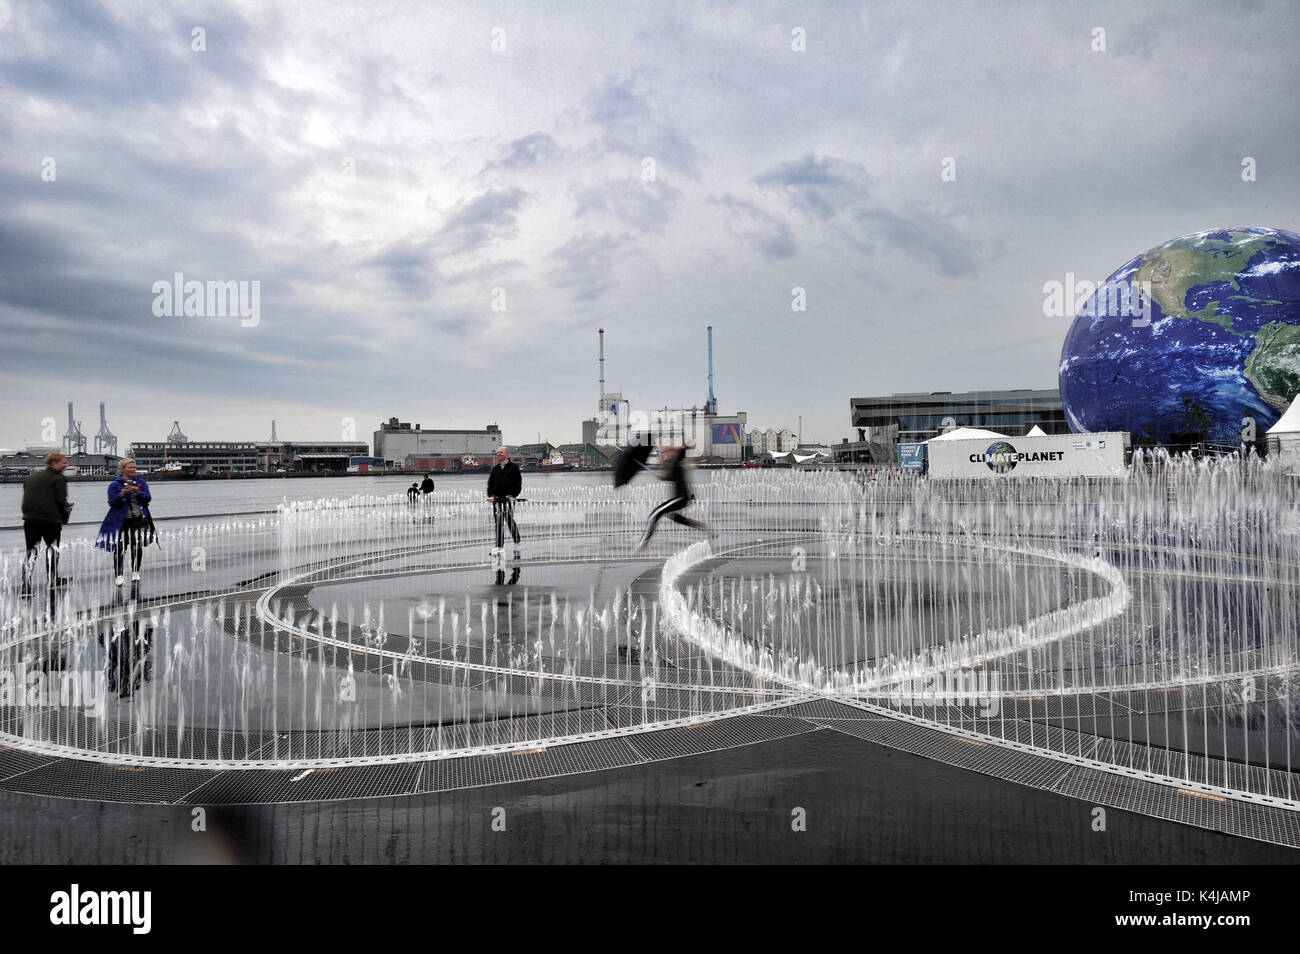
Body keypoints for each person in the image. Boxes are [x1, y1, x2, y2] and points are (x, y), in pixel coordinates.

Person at [636, 445, 709, 551]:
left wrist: (685, 445)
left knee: (655, 514)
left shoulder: (676, 460)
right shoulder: (673, 466)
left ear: (671, 453)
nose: (662, 455)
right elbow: (671, 477)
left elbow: (681, 452)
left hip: (681, 497)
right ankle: (697, 524)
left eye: (664, 453)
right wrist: (663, 477)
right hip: (682, 498)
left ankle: (644, 541)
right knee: (670, 515)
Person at [95, 458, 154, 587]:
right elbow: (112, 502)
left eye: (134, 467)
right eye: (129, 467)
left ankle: (135, 572)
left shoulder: (141, 482)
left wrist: (139, 491)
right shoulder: (115, 485)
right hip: (120, 521)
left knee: (136, 545)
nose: (133, 469)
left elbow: (148, 498)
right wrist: (122, 493)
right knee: (120, 547)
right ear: (122, 469)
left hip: (137, 519)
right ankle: (119, 575)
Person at [21, 451, 71, 594]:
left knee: (31, 552)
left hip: (30, 520)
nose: (66, 465)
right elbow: (61, 501)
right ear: (54, 463)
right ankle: (52, 580)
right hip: (50, 521)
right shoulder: (59, 479)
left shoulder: (31, 478)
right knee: (53, 550)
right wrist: (64, 517)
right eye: (64, 462)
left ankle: (26, 585)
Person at [486, 445, 522, 561]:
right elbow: (490, 484)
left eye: (501, 452)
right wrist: (490, 496)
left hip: (508, 499)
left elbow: (518, 484)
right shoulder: (495, 469)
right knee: (498, 522)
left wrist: (513, 496)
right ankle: (499, 546)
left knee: (509, 520)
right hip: (497, 500)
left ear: (507, 454)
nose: (498, 454)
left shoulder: (513, 468)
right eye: (498, 453)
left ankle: (517, 542)